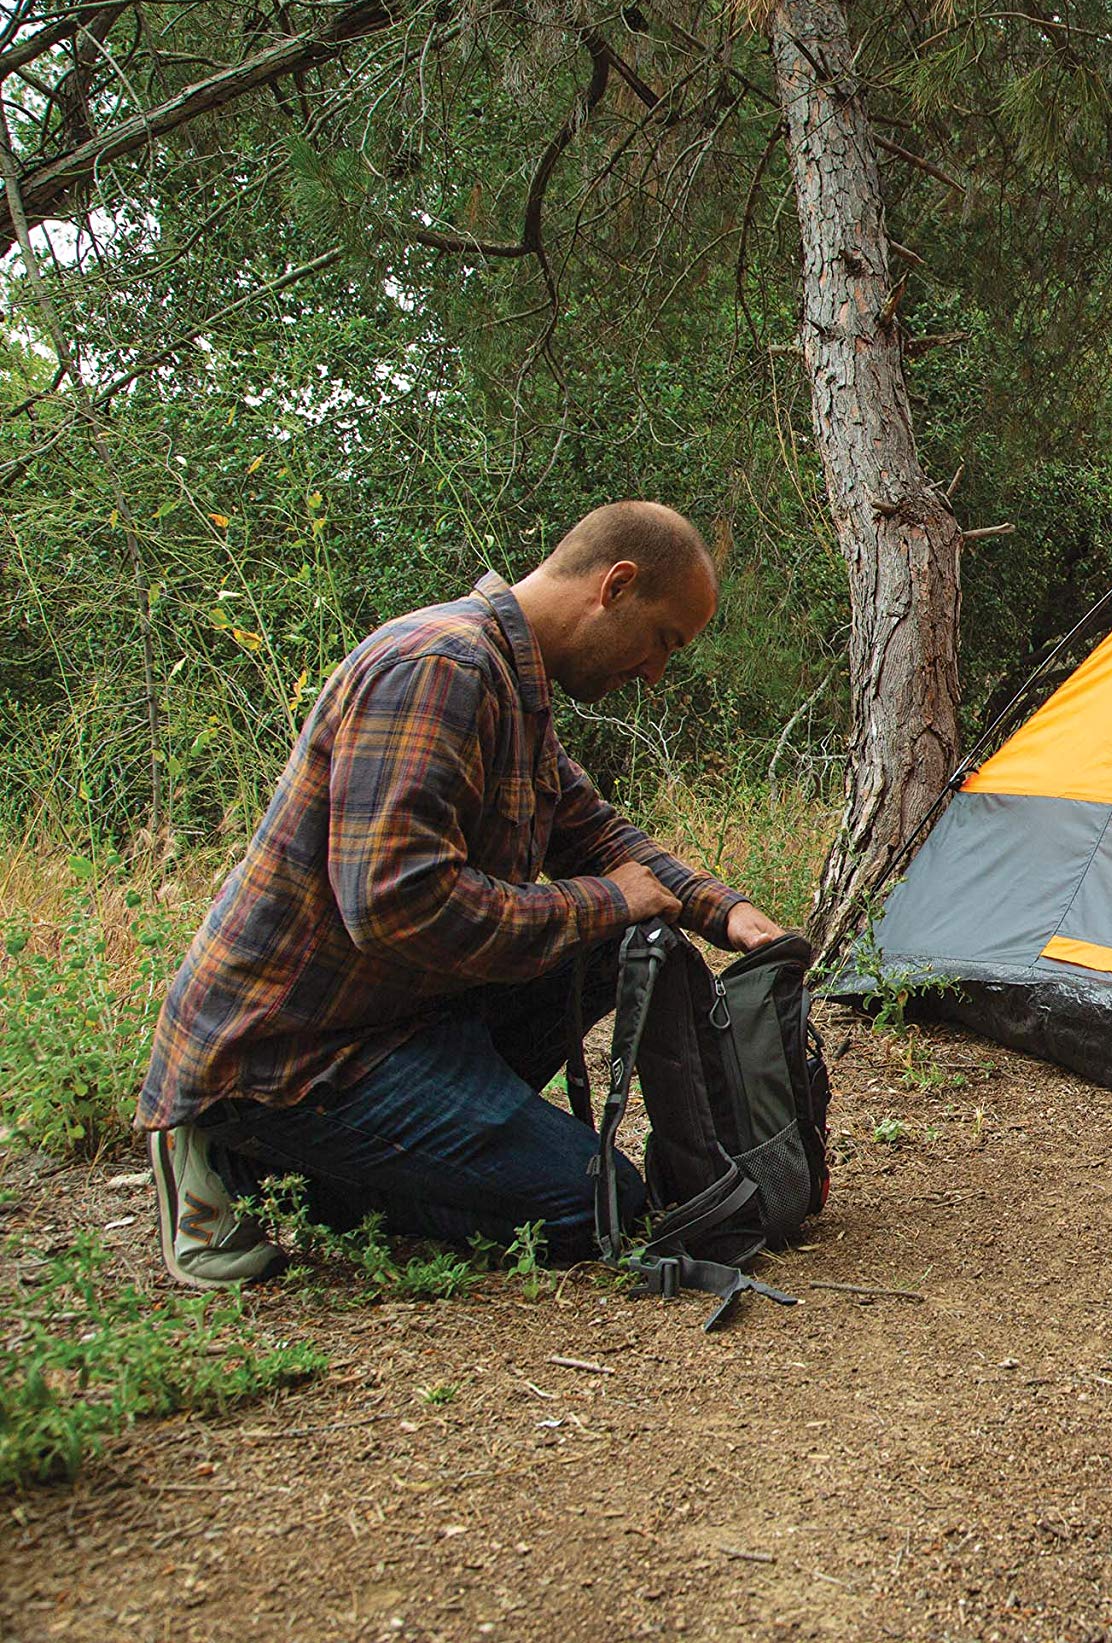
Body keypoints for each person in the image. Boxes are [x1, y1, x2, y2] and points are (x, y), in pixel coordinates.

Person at [137, 500, 789, 1287]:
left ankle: (442, 1127)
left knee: (628, 937)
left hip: (404, 1016)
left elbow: (598, 837)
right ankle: (231, 1158)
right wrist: (606, 900)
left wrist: (725, 912)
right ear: (615, 585)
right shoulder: (438, 667)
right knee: (601, 1204)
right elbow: (393, 904)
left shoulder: (516, 686)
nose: (655, 673)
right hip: (298, 1059)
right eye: (663, 641)